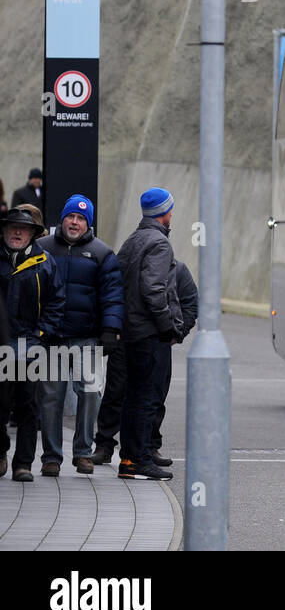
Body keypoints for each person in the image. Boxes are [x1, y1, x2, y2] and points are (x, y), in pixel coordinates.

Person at [35, 195, 124, 476]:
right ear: (63, 219)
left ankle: (83, 452)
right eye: (71, 217)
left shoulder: (102, 254)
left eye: (81, 219)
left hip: (88, 338)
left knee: (90, 394)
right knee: (50, 398)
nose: (75, 222)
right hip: (51, 339)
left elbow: (112, 296)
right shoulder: (42, 248)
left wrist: (111, 330)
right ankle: (51, 457)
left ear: (89, 224)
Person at [115, 187, 179, 481]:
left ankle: (129, 458)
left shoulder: (132, 240)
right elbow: (154, 291)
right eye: (170, 210)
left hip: (131, 332)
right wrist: (167, 326)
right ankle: (138, 459)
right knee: (147, 397)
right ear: (163, 213)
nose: (171, 215)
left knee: (133, 396)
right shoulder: (159, 244)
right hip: (149, 334)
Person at [0, 207, 66, 481]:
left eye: (23, 229)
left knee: (28, 405)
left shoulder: (45, 262)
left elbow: (57, 302)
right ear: (4, 231)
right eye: (12, 227)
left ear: (32, 234)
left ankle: (23, 464)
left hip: (31, 346)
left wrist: (41, 334)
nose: (17, 232)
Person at [150, 260, 197, 467]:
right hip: (133, 339)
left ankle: (150, 447)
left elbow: (191, 303)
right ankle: (106, 446)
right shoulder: (134, 263)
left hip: (161, 342)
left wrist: (178, 333)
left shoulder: (177, 269)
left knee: (156, 396)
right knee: (121, 395)